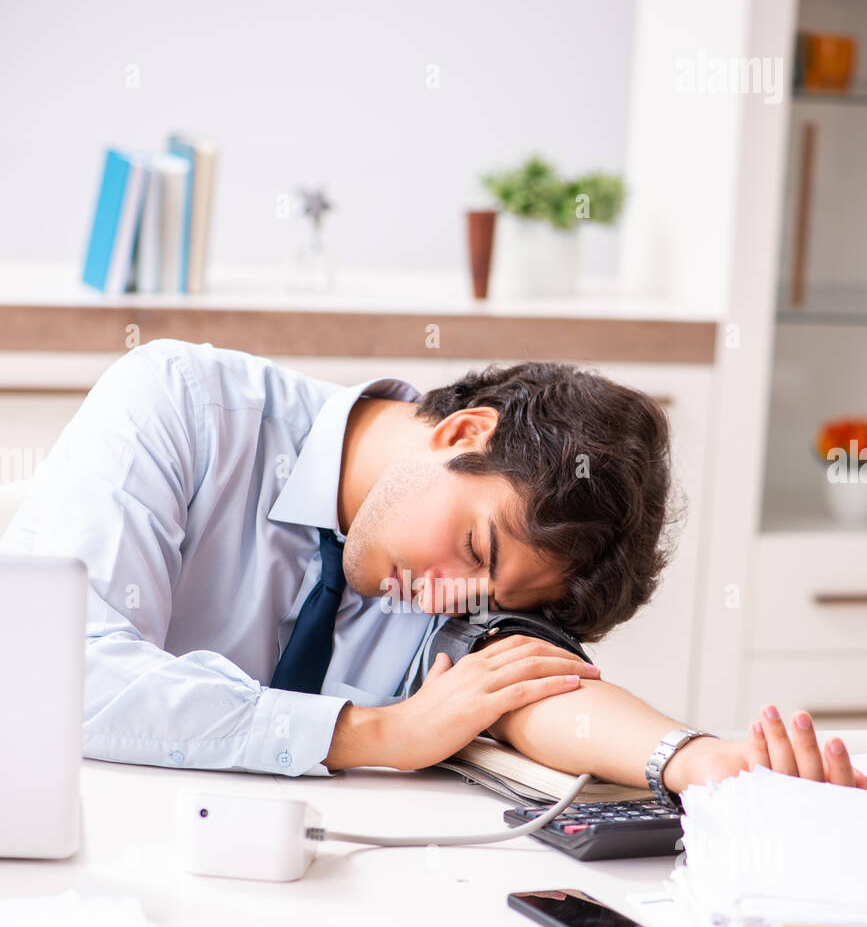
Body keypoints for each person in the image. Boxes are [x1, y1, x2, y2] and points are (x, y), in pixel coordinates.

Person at [2, 338, 863, 804]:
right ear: (460, 434)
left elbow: (525, 684)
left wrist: (696, 758)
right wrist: (374, 735)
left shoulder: (451, 588)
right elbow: (60, 674)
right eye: (477, 551)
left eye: (485, 593)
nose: (446, 598)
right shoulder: (181, 404)